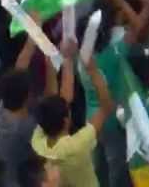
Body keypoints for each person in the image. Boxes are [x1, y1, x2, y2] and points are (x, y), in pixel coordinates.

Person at [31, 40, 115, 187]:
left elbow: (58, 100)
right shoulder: (76, 145)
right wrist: (93, 71)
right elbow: (106, 108)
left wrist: (65, 61)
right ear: (66, 121)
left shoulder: (37, 142)